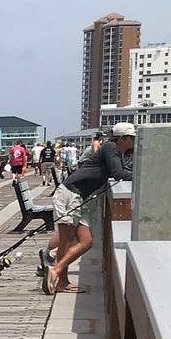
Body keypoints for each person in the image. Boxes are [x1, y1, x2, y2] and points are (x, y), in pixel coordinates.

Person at [46, 122, 135, 296]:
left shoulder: (118, 151)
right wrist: (142, 177)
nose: (134, 141)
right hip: (70, 194)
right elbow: (118, 173)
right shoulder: (111, 147)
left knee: (86, 241)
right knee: (67, 240)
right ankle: (60, 278)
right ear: (122, 138)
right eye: (132, 138)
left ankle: (57, 272)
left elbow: (121, 171)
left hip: (80, 197)